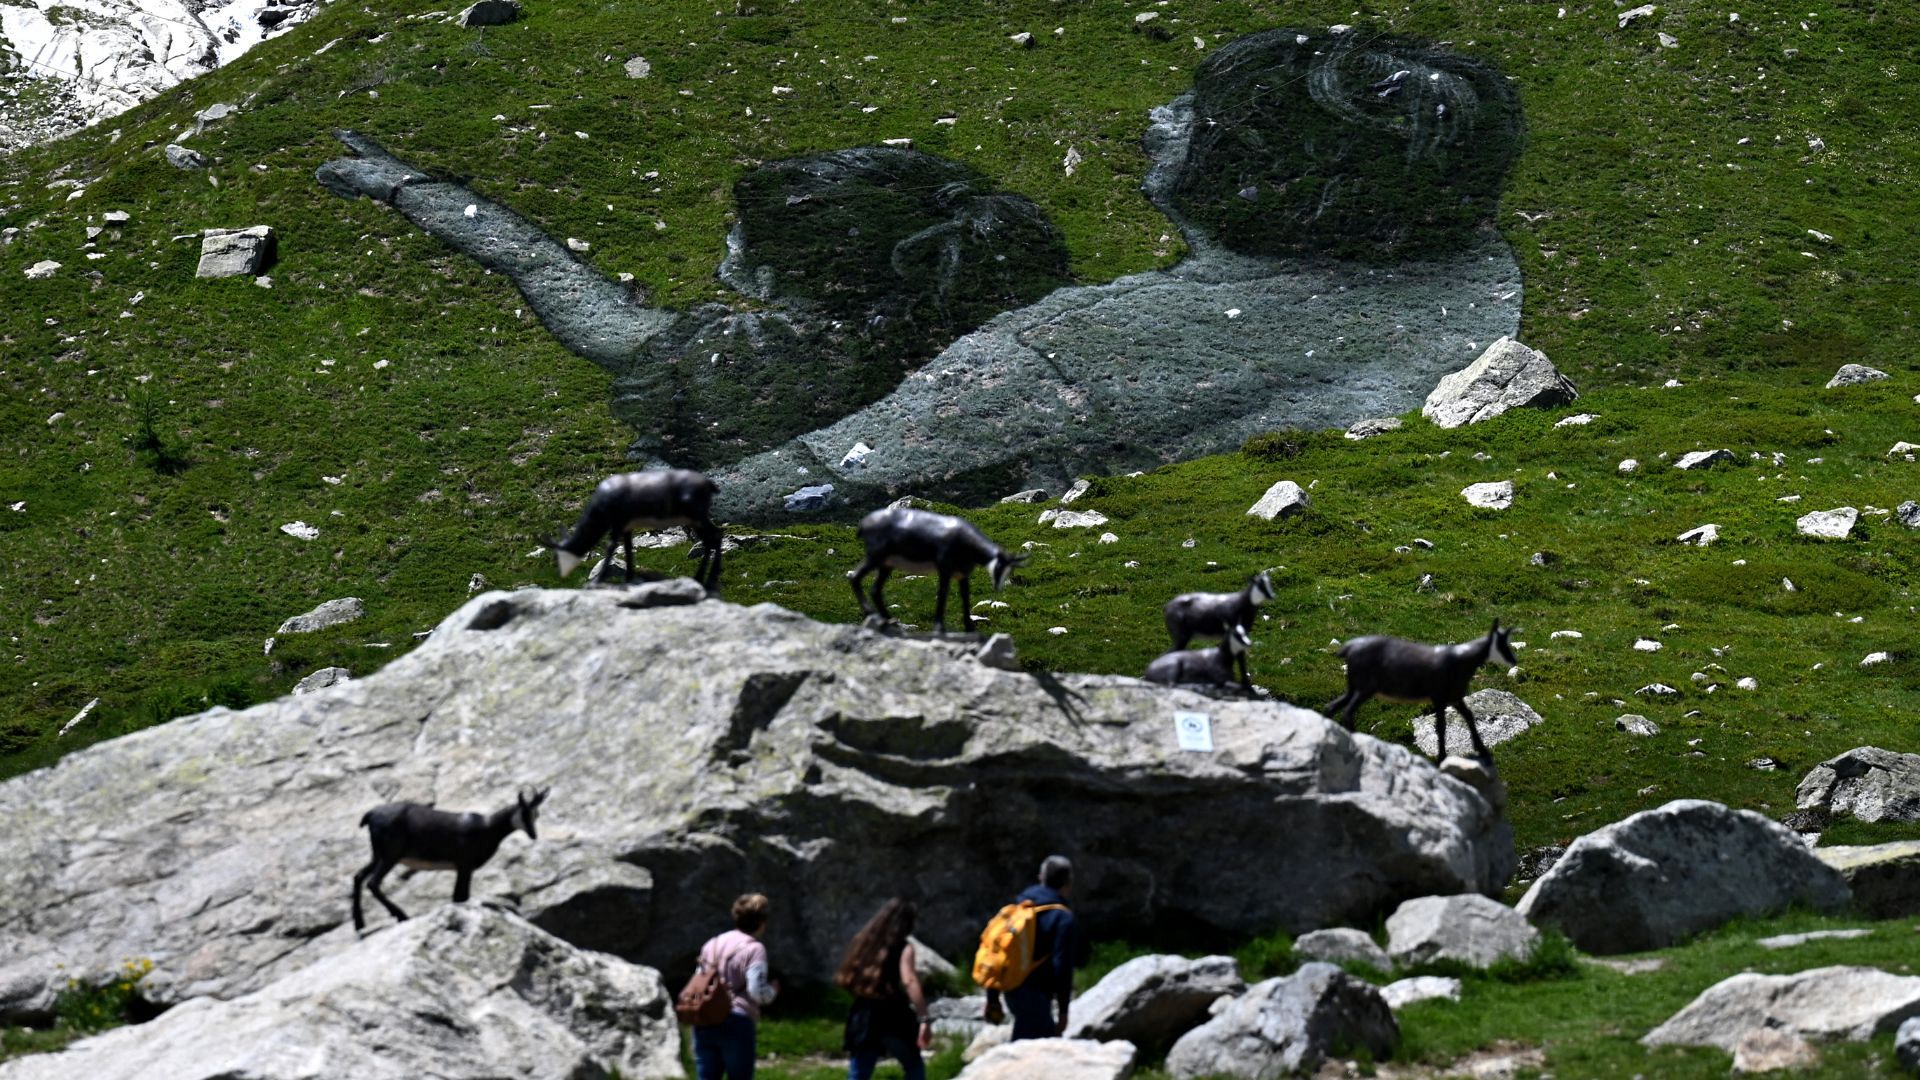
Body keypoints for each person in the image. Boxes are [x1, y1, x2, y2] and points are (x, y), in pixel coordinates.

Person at [984, 855, 1089, 1040]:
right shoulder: (1063, 918)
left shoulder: (1019, 907)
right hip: (1037, 995)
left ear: (1041, 878)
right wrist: (1064, 1011)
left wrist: (992, 997)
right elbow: (1062, 966)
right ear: (1068, 882)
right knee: (1034, 1050)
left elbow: (997, 950)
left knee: (1024, 1042)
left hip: (1012, 989)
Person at [836, 898, 933, 1080]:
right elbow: (909, 980)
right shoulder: (904, 948)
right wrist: (924, 1018)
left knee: (859, 1071)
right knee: (913, 1065)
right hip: (893, 1015)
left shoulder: (863, 942)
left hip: (863, 1013)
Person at [693, 893, 780, 1080]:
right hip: (736, 1020)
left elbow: (698, 979)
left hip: (704, 1018)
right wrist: (772, 991)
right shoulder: (754, 949)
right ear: (762, 922)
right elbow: (756, 991)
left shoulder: (712, 944)